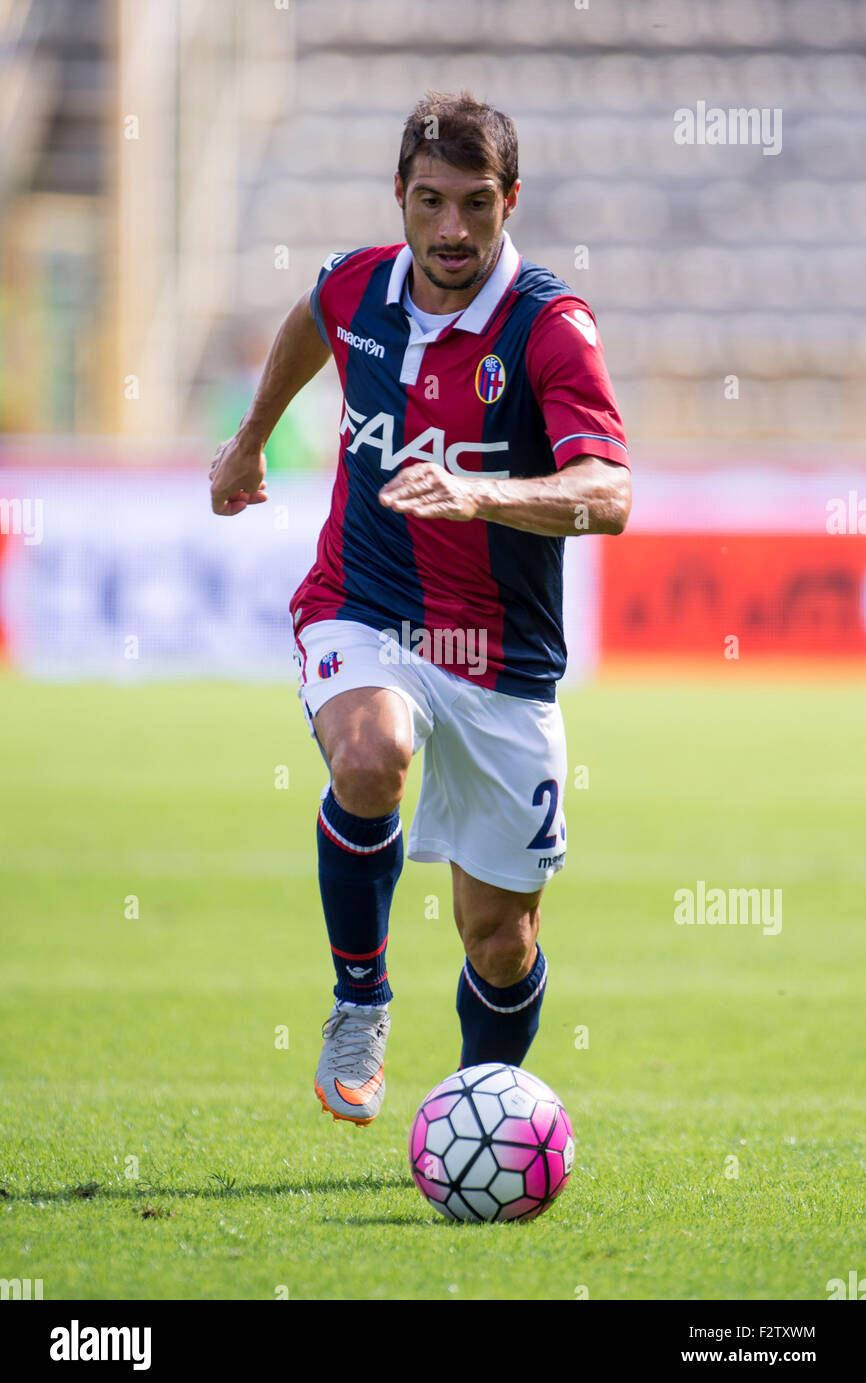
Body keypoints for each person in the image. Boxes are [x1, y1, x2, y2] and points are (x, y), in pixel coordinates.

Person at [209, 90, 631, 1127]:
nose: (451, 230)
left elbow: (608, 495)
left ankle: (478, 1109)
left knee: (499, 939)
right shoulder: (362, 286)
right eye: (430, 202)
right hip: (365, 604)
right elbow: (312, 319)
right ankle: (361, 1000)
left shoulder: (548, 328)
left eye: (475, 205)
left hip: (502, 657)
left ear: (509, 201)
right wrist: (253, 436)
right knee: (369, 756)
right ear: (398, 196)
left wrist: (483, 490)